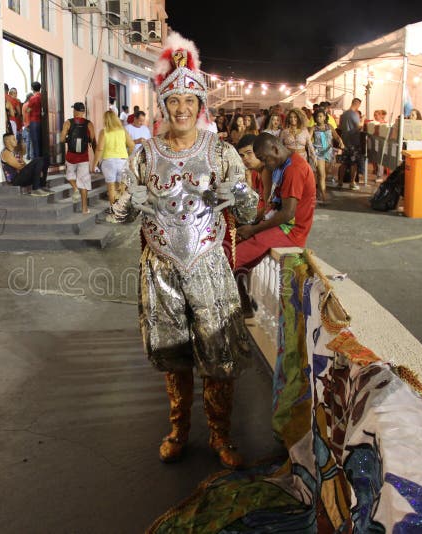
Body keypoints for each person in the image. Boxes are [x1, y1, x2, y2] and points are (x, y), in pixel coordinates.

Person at [110, 32, 258, 470]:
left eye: (189, 103)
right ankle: (178, 429)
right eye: (173, 102)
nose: (181, 109)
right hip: (161, 269)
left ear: (200, 108)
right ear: (164, 106)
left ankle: (220, 434)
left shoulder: (221, 151)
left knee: (218, 356)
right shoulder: (144, 153)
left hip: (209, 266)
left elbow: (248, 210)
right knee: (175, 357)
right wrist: (126, 202)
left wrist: (239, 196)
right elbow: (119, 215)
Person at [228, 133, 316, 276]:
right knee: (234, 249)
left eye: (264, 159)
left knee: (232, 258)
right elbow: (272, 206)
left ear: (275, 149)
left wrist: (253, 230)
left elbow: (287, 214)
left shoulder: (295, 168)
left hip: (290, 231)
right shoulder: (282, 164)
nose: (265, 164)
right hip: (278, 225)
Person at [93, 110, 135, 212]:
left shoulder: (104, 131)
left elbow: (99, 149)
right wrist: (126, 155)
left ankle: (114, 211)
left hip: (108, 162)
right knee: (120, 187)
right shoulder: (123, 130)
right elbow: (132, 145)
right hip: (122, 161)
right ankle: (121, 209)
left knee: (111, 188)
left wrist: (94, 164)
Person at [60, 102, 96, 212]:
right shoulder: (89, 124)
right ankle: (85, 209)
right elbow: (93, 141)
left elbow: (61, 139)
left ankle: (75, 188)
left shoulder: (68, 122)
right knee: (84, 183)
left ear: (75, 111)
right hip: (84, 157)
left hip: (71, 156)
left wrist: (68, 139)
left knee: (70, 176)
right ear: (83, 112)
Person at [312, 109, 344, 198]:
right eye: (317, 116)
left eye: (321, 116)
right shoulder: (313, 128)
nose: (319, 118)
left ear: (325, 117)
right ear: (315, 118)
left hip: (329, 153)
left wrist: (340, 141)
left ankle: (319, 189)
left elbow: (336, 136)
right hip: (318, 153)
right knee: (322, 174)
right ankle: (323, 196)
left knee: (325, 174)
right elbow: (308, 140)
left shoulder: (329, 126)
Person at [338, 97, 363, 190]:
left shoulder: (343, 114)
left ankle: (340, 181)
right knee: (353, 163)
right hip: (353, 142)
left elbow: (340, 127)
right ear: (357, 104)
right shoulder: (355, 114)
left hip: (345, 141)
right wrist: (363, 120)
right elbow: (358, 127)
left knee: (344, 163)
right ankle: (352, 183)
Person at [25, 81, 43, 158]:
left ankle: (36, 161)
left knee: (35, 142)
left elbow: (28, 110)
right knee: (40, 141)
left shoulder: (33, 98)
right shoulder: (42, 96)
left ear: (32, 88)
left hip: (34, 121)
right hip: (41, 121)